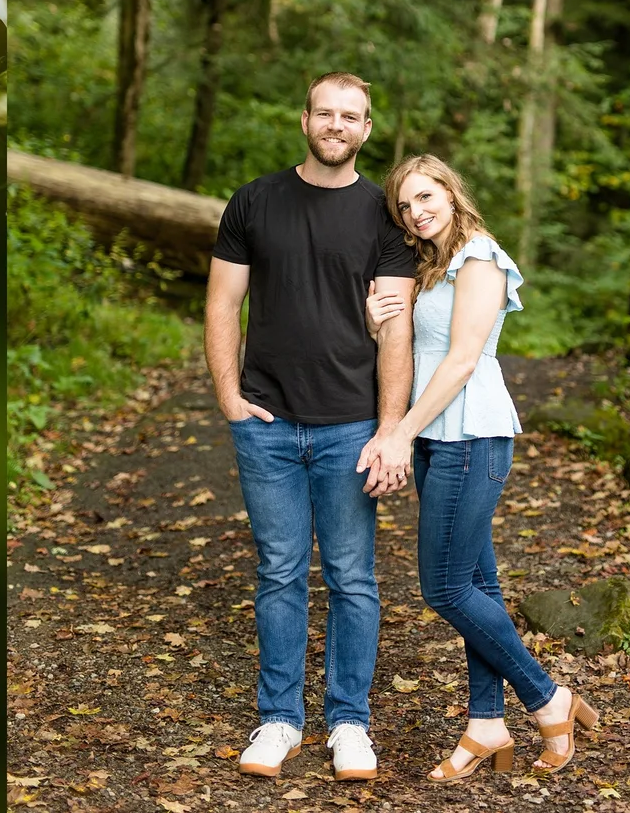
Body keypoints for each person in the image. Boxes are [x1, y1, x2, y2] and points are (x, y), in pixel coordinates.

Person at [205, 72, 417, 782]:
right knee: (280, 571)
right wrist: (229, 396)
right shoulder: (254, 201)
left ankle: (349, 722)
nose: (336, 125)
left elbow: (396, 329)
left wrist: (389, 428)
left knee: (353, 577)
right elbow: (222, 302)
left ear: (366, 128)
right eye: (325, 113)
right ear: (304, 121)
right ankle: (280, 719)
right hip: (266, 423)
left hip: (350, 426)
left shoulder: (385, 216)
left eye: (350, 116)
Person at [361, 153, 598, 781]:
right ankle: (487, 723)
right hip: (437, 437)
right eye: (404, 206)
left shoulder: (481, 257)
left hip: (471, 434)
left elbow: (464, 358)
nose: (416, 212)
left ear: (450, 191)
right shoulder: (430, 265)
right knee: (478, 586)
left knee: (444, 588)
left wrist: (400, 432)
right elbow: (418, 346)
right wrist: (376, 324)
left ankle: (548, 697)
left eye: (425, 196)